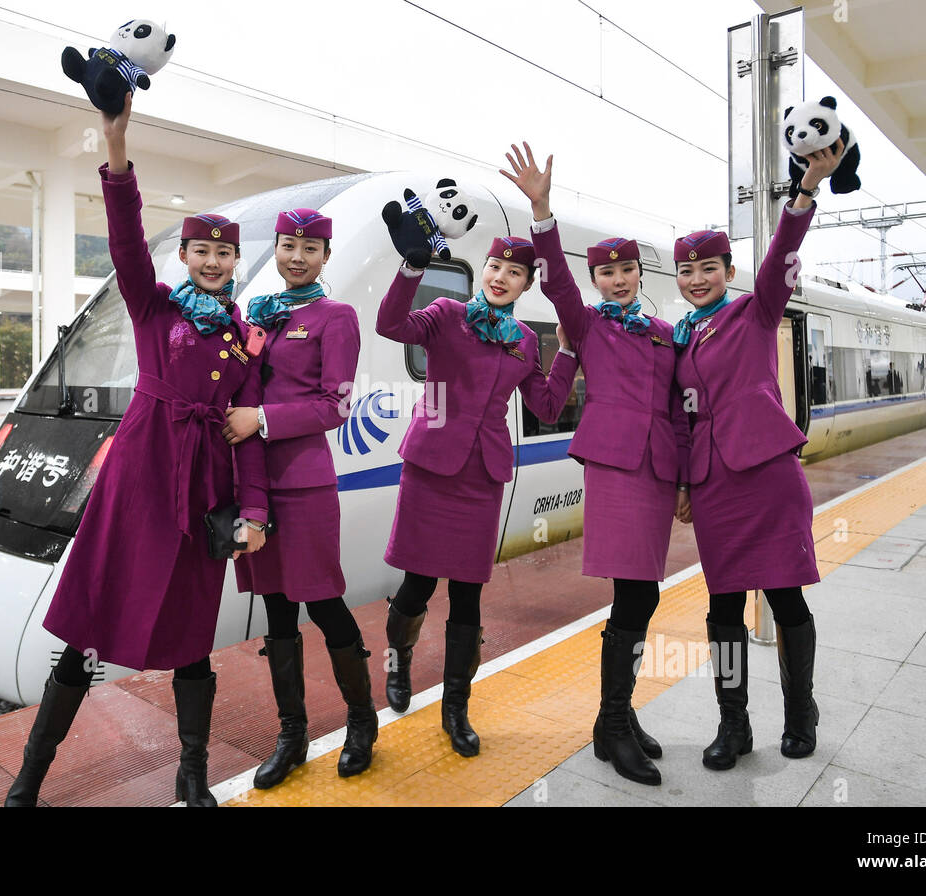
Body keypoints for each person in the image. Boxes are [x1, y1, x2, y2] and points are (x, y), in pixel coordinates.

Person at [5, 92, 269, 808]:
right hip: (137, 486)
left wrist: (251, 511)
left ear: (237, 265)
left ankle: (191, 774)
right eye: (202, 250)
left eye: (225, 253)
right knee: (82, 638)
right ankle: (30, 778)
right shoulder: (156, 306)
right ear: (183, 257)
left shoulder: (248, 341)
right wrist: (115, 144)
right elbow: (124, 236)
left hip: (201, 499)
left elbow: (246, 433)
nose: (213, 261)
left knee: (192, 642)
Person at [500, 143, 689, 786]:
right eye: (605, 273)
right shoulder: (584, 326)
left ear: (639, 275)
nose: (616, 280)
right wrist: (542, 209)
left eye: (626, 271)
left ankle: (616, 717)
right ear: (596, 279)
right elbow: (553, 277)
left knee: (643, 593)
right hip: (612, 467)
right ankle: (611, 722)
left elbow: (681, 408)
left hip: (660, 471)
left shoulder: (667, 334)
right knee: (635, 591)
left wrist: (688, 475)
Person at [672, 140, 846, 770]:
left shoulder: (755, 311)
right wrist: (685, 485)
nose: (697, 280)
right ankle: (734, 725)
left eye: (708, 269)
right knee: (722, 607)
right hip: (715, 487)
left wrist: (803, 193)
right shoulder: (680, 341)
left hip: (770, 476)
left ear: (728, 271)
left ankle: (801, 713)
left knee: (785, 598)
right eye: (687, 272)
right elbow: (683, 419)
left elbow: (781, 259)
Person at [377, 224, 579, 757]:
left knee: (468, 596)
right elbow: (390, 324)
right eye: (495, 267)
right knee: (417, 584)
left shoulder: (527, 341)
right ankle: (397, 665)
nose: (500, 277)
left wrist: (570, 352)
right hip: (430, 465)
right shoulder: (446, 314)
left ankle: (456, 709)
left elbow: (547, 406)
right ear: (483, 270)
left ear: (526, 284)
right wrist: (411, 269)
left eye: (514, 272)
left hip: (481, 476)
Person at [222, 209, 373, 788]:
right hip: (255, 483)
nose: (297, 257)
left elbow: (335, 406)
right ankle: (293, 734)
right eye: (289, 245)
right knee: (276, 611)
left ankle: (362, 721)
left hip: (305, 484)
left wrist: (259, 418)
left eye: (311, 248)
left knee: (324, 603)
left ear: (326, 256)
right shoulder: (261, 315)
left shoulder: (337, 317)